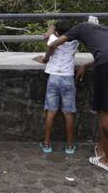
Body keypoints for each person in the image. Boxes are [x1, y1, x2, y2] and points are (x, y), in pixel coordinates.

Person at [43, 16, 108, 172]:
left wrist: (45, 59)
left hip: (104, 68)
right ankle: (102, 147)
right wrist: (86, 65)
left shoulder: (81, 28)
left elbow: (54, 44)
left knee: (103, 111)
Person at [34, 20, 79, 155]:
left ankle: (47, 144)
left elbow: (52, 27)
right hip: (68, 78)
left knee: (51, 111)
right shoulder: (75, 41)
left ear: (57, 32)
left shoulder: (53, 38)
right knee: (69, 113)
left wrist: (50, 31)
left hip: (53, 77)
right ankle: (70, 146)